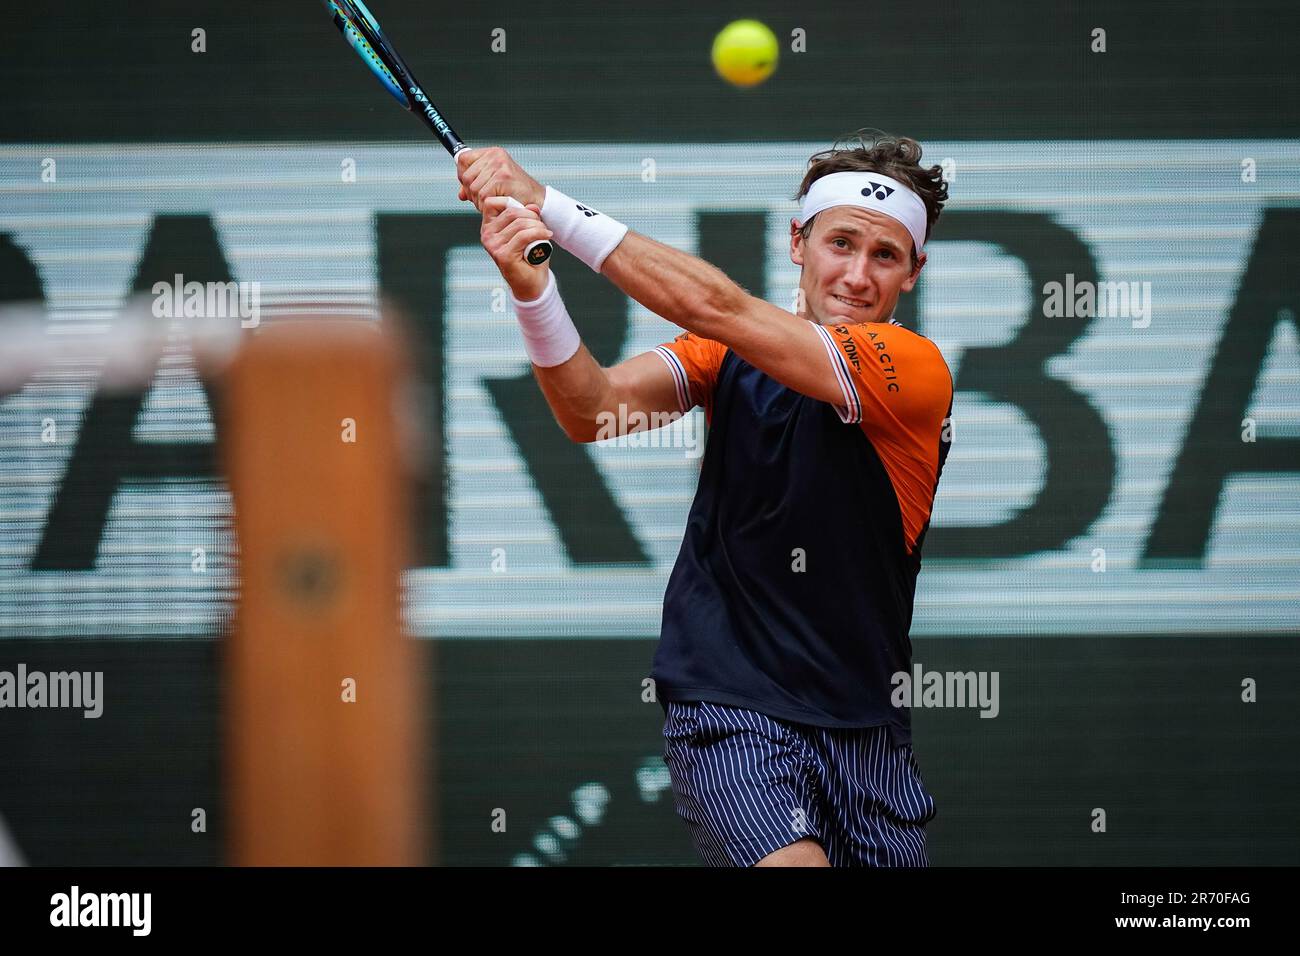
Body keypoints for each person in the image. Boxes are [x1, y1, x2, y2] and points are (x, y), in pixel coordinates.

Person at [458, 131, 953, 867]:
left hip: (868, 730)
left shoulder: (916, 372)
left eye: (884, 256)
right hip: (729, 703)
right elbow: (593, 411)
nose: (856, 274)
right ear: (798, 242)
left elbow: (715, 304)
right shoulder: (722, 358)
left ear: (912, 271)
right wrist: (536, 293)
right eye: (840, 243)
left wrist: (545, 203)